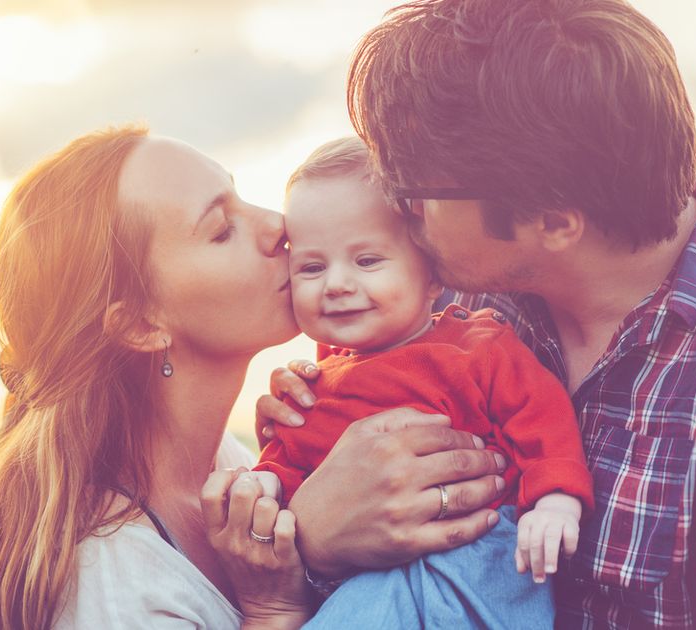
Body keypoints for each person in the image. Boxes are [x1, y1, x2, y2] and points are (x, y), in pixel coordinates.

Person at [256, 1, 696, 627]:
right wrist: (308, 486)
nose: (398, 207)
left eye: (414, 188)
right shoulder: (459, 293)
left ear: (553, 221)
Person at [0, 124, 330, 629]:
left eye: (241, 197)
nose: (276, 223)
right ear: (140, 324)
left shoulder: (221, 463)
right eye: (223, 229)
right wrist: (272, 613)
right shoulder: (113, 586)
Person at [247, 137, 594, 628]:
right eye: (311, 267)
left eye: (367, 261)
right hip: (372, 579)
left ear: (433, 277)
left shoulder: (478, 346)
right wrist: (265, 480)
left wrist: (555, 499)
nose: (337, 283)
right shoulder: (310, 387)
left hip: (480, 557)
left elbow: (541, 416)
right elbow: (294, 466)